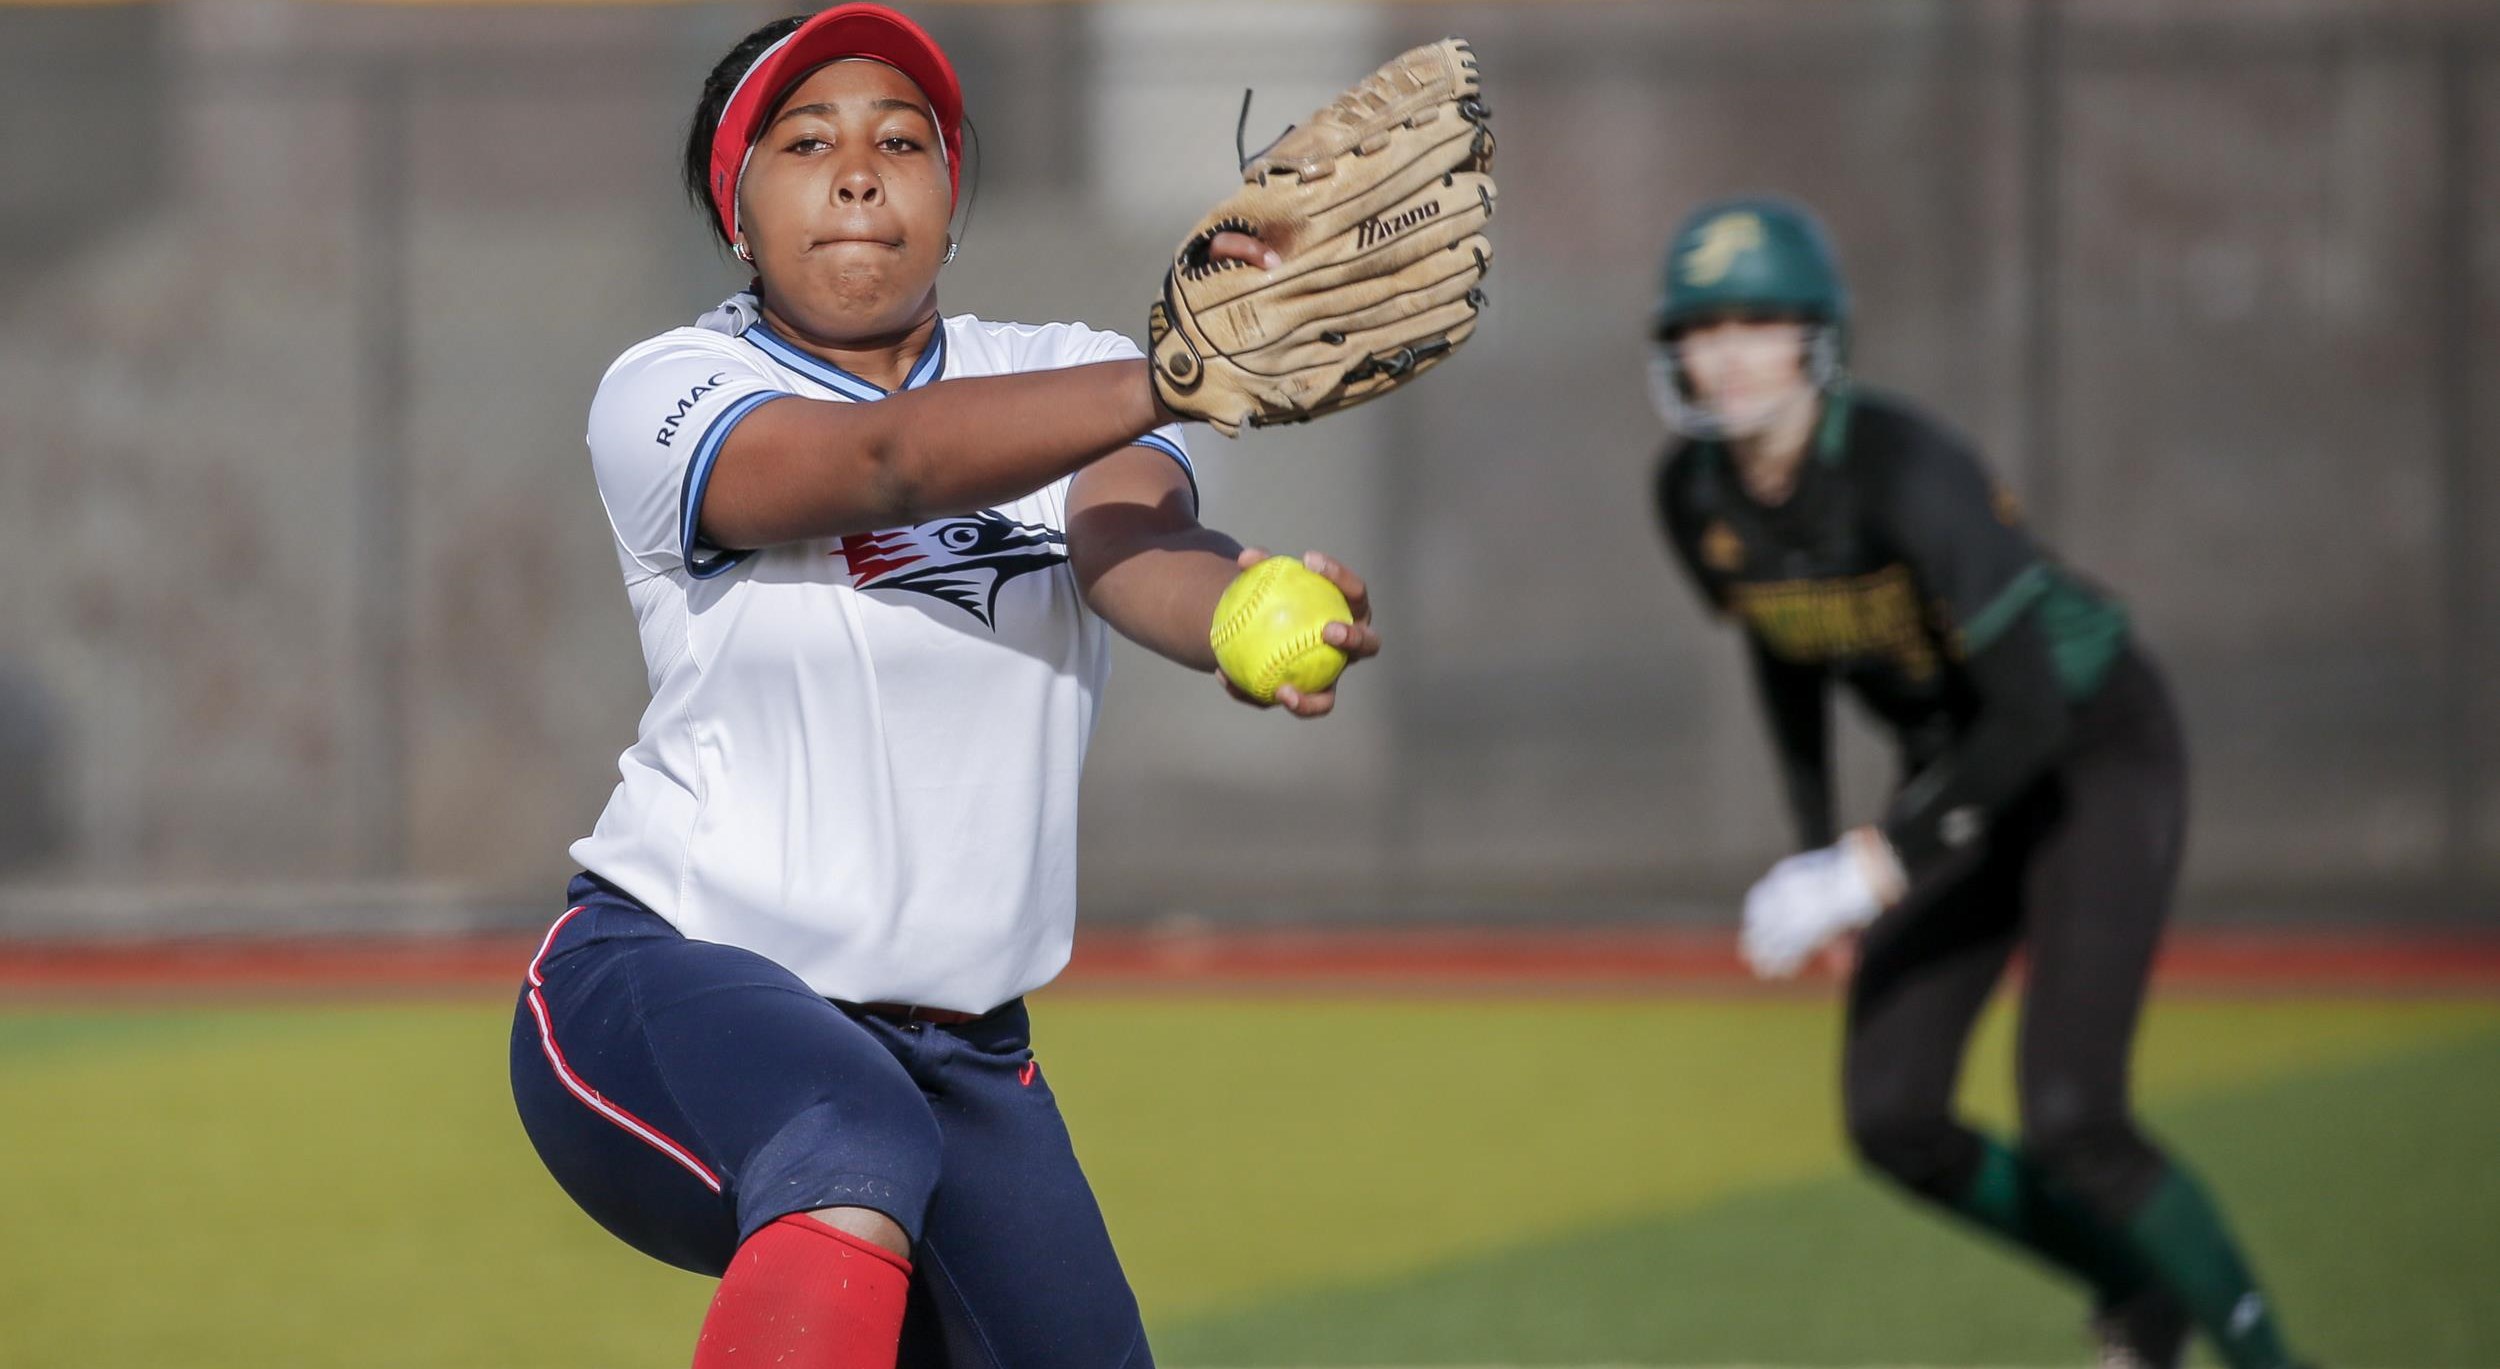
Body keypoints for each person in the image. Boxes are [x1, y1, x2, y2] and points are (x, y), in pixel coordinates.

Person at [508, 9, 1379, 1367]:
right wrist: (1171, 376)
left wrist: (1249, 617)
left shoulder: (1058, 372)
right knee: (845, 1142)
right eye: (807, 143)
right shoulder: (672, 388)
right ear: (736, 215)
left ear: (952, 201)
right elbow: (885, 463)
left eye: (902, 142)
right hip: (670, 978)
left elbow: (1133, 547)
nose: (860, 172)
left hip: (964, 1052)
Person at [1647, 197, 2309, 1369]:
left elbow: (2031, 710)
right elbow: (1781, 650)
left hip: (2088, 745)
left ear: (1816, 335)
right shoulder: (1692, 494)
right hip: (1960, 774)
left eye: (1759, 320)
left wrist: (1874, 864)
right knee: (1892, 1115)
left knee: (2073, 1118)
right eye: (1704, 326)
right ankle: (2136, 1292)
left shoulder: (1904, 468)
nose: (1730, 351)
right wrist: (1816, 847)